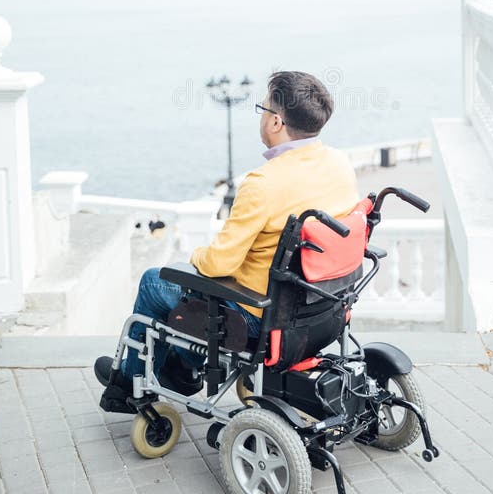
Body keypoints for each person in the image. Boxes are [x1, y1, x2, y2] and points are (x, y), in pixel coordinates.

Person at [95, 70, 359, 408]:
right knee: (187, 296)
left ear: (276, 122)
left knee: (156, 281)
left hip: (260, 317)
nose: (261, 118)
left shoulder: (263, 183)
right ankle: (181, 367)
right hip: (324, 309)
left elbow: (220, 264)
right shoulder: (340, 163)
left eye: (262, 110)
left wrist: (197, 257)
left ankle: (130, 386)